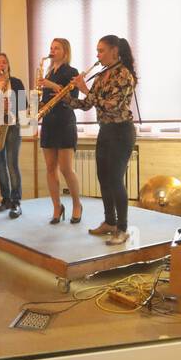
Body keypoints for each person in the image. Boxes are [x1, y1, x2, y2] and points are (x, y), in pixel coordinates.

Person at [70, 34, 138, 245]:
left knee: (116, 180)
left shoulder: (124, 75)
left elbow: (112, 105)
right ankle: (110, 222)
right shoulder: (102, 75)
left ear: (114, 51)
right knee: (103, 178)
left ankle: (123, 228)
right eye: (97, 51)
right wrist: (64, 97)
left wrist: (85, 89)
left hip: (121, 131)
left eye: (101, 50)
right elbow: (87, 105)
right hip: (106, 131)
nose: (97, 55)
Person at [36, 37, 85, 225]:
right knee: (50, 168)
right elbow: (47, 98)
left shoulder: (71, 72)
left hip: (64, 122)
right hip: (48, 122)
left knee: (65, 168)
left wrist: (51, 85)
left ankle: (77, 204)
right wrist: (37, 104)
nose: (52, 51)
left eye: (56, 48)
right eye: (50, 47)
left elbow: (72, 96)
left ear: (65, 51)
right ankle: (57, 206)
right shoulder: (49, 71)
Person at [0, 52, 25, 218]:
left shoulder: (16, 83)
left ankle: (16, 202)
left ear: (8, 65)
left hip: (13, 127)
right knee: (0, 165)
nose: (1, 66)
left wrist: (12, 106)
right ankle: (5, 199)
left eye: (4, 63)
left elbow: (24, 106)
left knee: (11, 164)